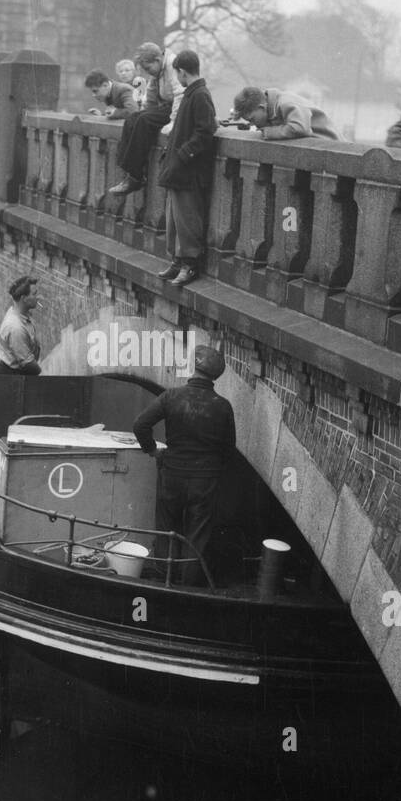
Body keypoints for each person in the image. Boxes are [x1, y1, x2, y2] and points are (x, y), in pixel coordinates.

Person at [132, 345, 235, 586]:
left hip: (172, 474)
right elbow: (228, 449)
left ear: (194, 367)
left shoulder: (171, 397)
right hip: (204, 480)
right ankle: (188, 588)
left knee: (167, 529)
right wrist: (211, 468)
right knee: (197, 537)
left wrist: (152, 450)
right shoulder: (223, 406)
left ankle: (163, 580)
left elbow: (140, 425)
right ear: (215, 376)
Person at [156, 49, 218, 287]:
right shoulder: (193, 93)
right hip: (179, 169)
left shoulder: (200, 95)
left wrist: (181, 155)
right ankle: (177, 261)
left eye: (178, 74)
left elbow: (205, 132)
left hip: (188, 172)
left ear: (181, 72)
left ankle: (189, 265)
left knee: (187, 220)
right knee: (174, 220)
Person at [106, 41, 183, 196]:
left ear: (157, 60)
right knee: (133, 118)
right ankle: (126, 169)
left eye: (148, 68)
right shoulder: (158, 69)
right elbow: (151, 93)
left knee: (144, 121)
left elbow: (180, 95)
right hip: (166, 107)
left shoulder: (172, 65)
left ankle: (135, 177)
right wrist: (142, 112)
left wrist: (174, 121)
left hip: (178, 110)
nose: (148, 73)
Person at [0, 275, 42, 375]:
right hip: (13, 376)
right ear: (24, 298)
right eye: (34, 294)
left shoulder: (17, 312)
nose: (39, 297)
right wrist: (40, 373)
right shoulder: (16, 328)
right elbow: (29, 365)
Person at [232, 86, 340, 140]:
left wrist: (270, 132)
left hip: (334, 147)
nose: (252, 124)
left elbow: (300, 128)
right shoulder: (271, 108)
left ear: (261, 107)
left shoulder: (286, 103)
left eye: (252, 120)